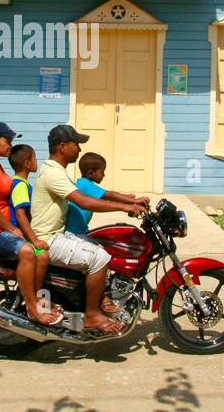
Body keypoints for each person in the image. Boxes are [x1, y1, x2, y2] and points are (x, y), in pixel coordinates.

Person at [29, 124, 146, 334]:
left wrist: (129, 202)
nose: (79, 150)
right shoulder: (53, 173)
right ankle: (92, 315)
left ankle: (95, 297)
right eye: (76, 144)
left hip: (55, 234)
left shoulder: (55, 170)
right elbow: (84, 201)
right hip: (49, 239)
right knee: (100, 258)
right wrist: (126, 206)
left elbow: (97, 196)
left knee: (103, 247)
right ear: (63, 147)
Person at [0, 122, 61, 326]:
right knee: (26, 251)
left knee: (41, 254)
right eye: (7, 140)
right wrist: (13, 229)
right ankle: (32, 307)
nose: (10, 145)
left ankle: (39, 298)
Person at [7, 143, 52, 313]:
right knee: (43, 256)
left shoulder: (18, 183)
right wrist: (34, 240)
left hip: (23, 233)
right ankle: (36, 297)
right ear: (26, 163)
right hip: (21, 235)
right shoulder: (20, 185)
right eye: (34, 158)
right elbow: (20, 215)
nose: (36, 161)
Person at [65, 152, 148, 235]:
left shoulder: (83, 183)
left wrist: (128, 200)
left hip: (78, 231)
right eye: (102, 172)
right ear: (90, 173)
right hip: (76, 234)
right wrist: (135, 201)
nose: (104, 175)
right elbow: (109, 195)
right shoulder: (86, 185)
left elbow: (106, 200)